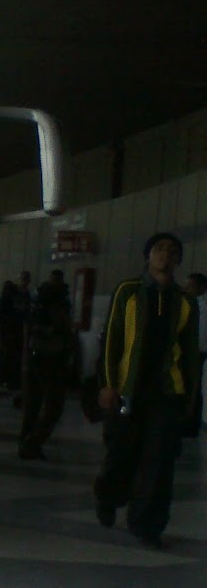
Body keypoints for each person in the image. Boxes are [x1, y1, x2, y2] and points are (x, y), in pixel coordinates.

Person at [93, 232, 200, 548]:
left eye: (171, 251)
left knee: (159, 461)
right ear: (148, 256)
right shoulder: (128, 292)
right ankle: (108, 497)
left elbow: (190, 353)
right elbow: (112, 340)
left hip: (166, 394)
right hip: (128, 389)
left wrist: (189, 400)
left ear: (178, 260)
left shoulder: (185, 302)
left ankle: (147, 524)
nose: (164, 255)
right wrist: (108, 384)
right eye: (158, 249)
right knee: (121, 454)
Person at [18, 270, 77, 459]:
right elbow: (67, 336)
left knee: (32, 406)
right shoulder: (57, 309)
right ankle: (33, 442)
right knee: (54, 406)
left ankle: (26, 443)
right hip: (52, 362)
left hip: (35, 358)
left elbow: (27, 333)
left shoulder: (36, 307)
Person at [186, 271, 207, 439]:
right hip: (193, 352)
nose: (187, 288)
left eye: (191, 285)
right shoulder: (192, 304)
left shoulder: (202, 307)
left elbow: (200, 335)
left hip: (197, 353)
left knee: (193, 388)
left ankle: (191, 425)